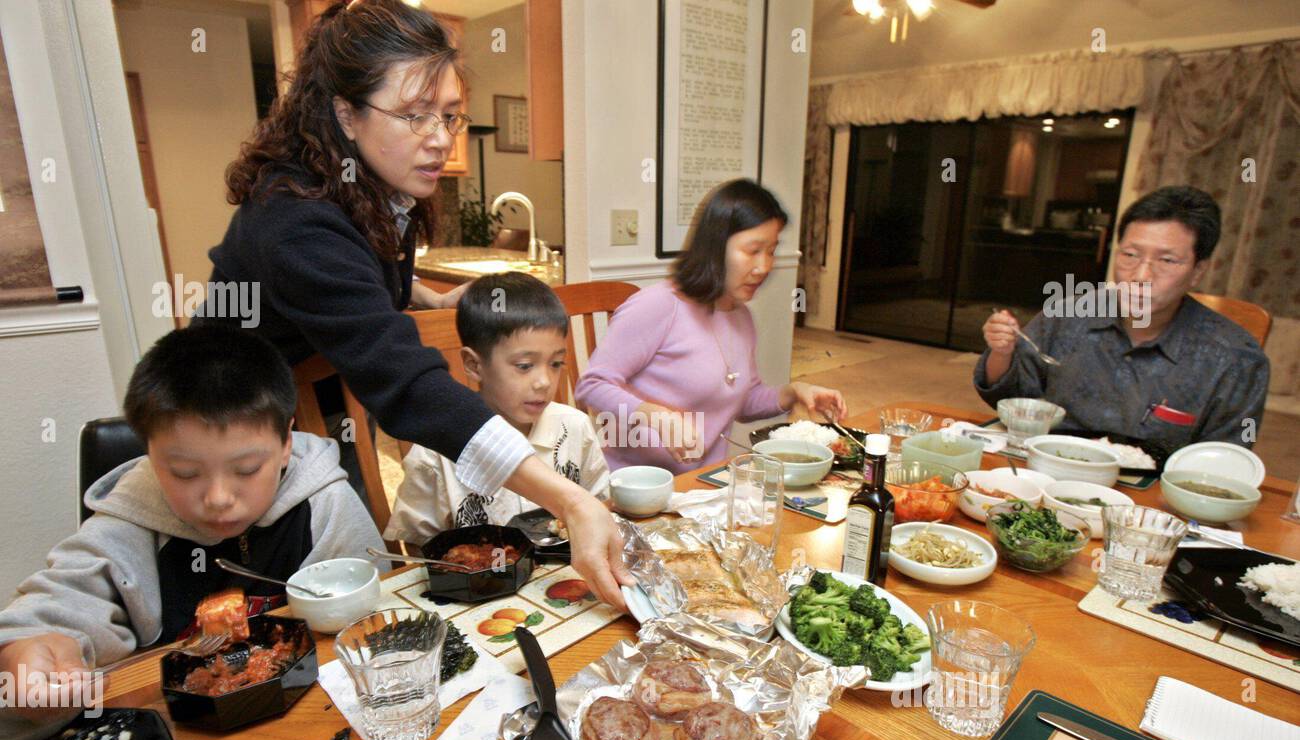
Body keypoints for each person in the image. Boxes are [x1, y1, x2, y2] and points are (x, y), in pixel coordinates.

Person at [192, 0, 628, 606]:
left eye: (449, 116)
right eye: (414, 116)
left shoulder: (373, 187)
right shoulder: (293, 221)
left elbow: (363, 285)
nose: (439, 140)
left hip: (315, 410)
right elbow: (405, 381)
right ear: (345, 114)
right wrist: (570, 497)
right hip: (237, 434)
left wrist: (425, 294)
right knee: (274, 603)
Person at [0, 326, 383, 740]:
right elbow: (56, 609)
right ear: (148, 452)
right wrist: (27, 652)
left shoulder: (323, 502)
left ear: (287, 442)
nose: (219, 499)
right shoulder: (128, 525)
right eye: (185, 473)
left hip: (314, 729)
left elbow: (373, 617)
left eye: (247, 469)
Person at [975, 185, 1270, 456]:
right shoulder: (1066, 315)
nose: (1140, 276)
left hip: (1154, 498)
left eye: (1167, 261)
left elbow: (1223, 464)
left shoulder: (1236, 358)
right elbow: (1013, 402)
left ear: (1198, 271)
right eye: (1130, 255)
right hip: (1051, 469)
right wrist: (1003, 354)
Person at [575, 179, 846, 473]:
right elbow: (591, 385)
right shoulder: (659, 306)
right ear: (715, 248)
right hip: (635, 488)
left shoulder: (741, 317)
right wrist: (652, 414)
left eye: (771, 251)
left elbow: (742, 402)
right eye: (753, 250)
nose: (764, 266)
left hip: (704, 483)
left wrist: (795, 391)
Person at [386, 274, 610, 544]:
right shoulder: (435, 455)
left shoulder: (575, 427)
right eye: (525, 366)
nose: (544, 382)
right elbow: (413, 547)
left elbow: (601, 508)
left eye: (556, 364)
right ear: (473, 365)